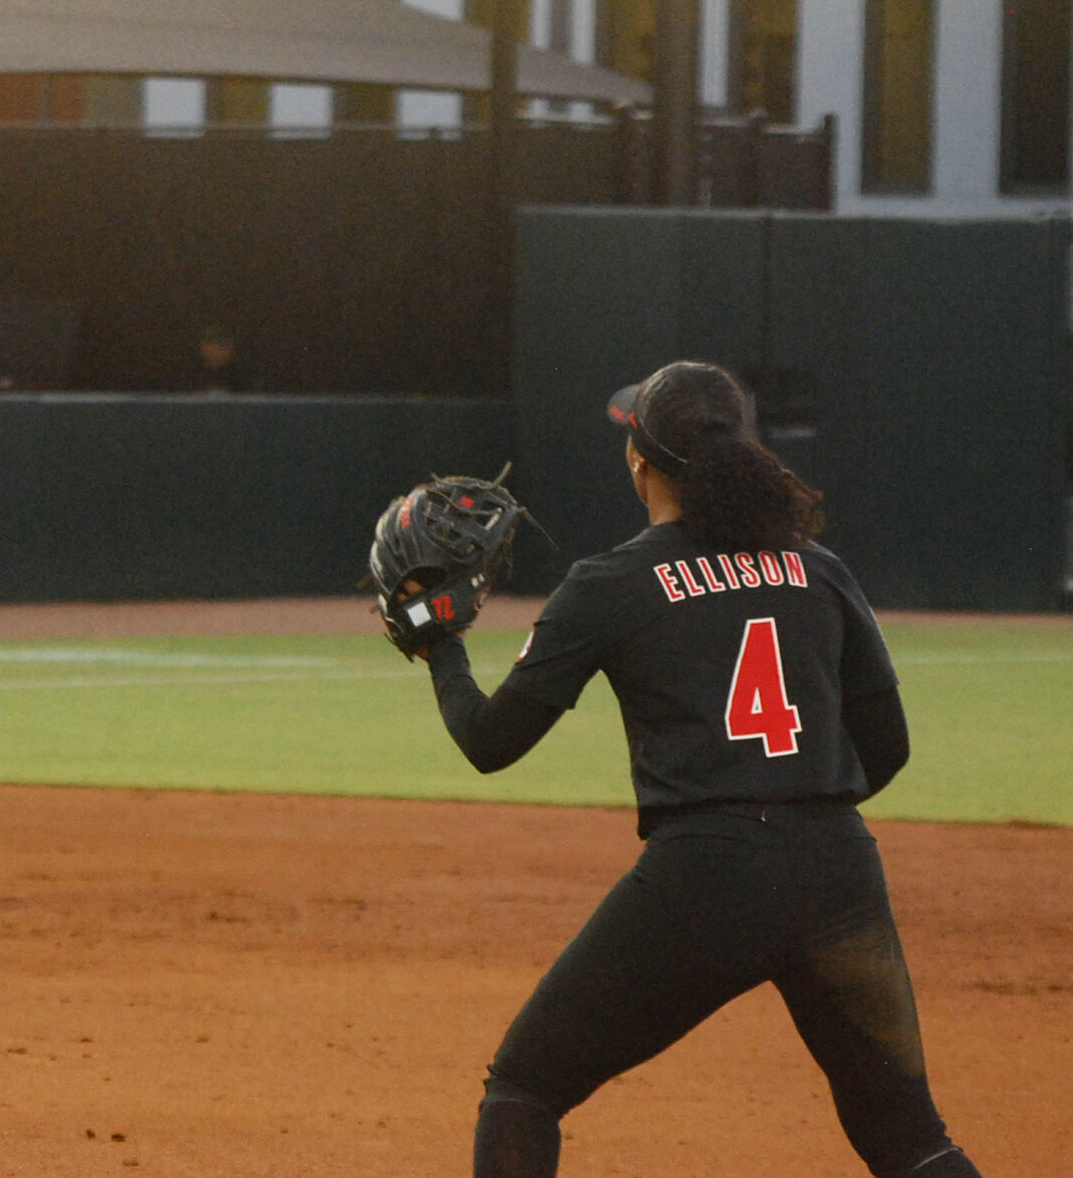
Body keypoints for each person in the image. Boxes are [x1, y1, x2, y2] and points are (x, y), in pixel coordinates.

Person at [406, 361, 982, 1177]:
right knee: (910, 1140)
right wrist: (800, 820)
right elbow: (886, 749)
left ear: (638, 461)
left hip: (705, 875)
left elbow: (490, 743)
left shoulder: (610, 582)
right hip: (837, 872)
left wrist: (438, 647)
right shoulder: (818, 569)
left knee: (525, 1087)